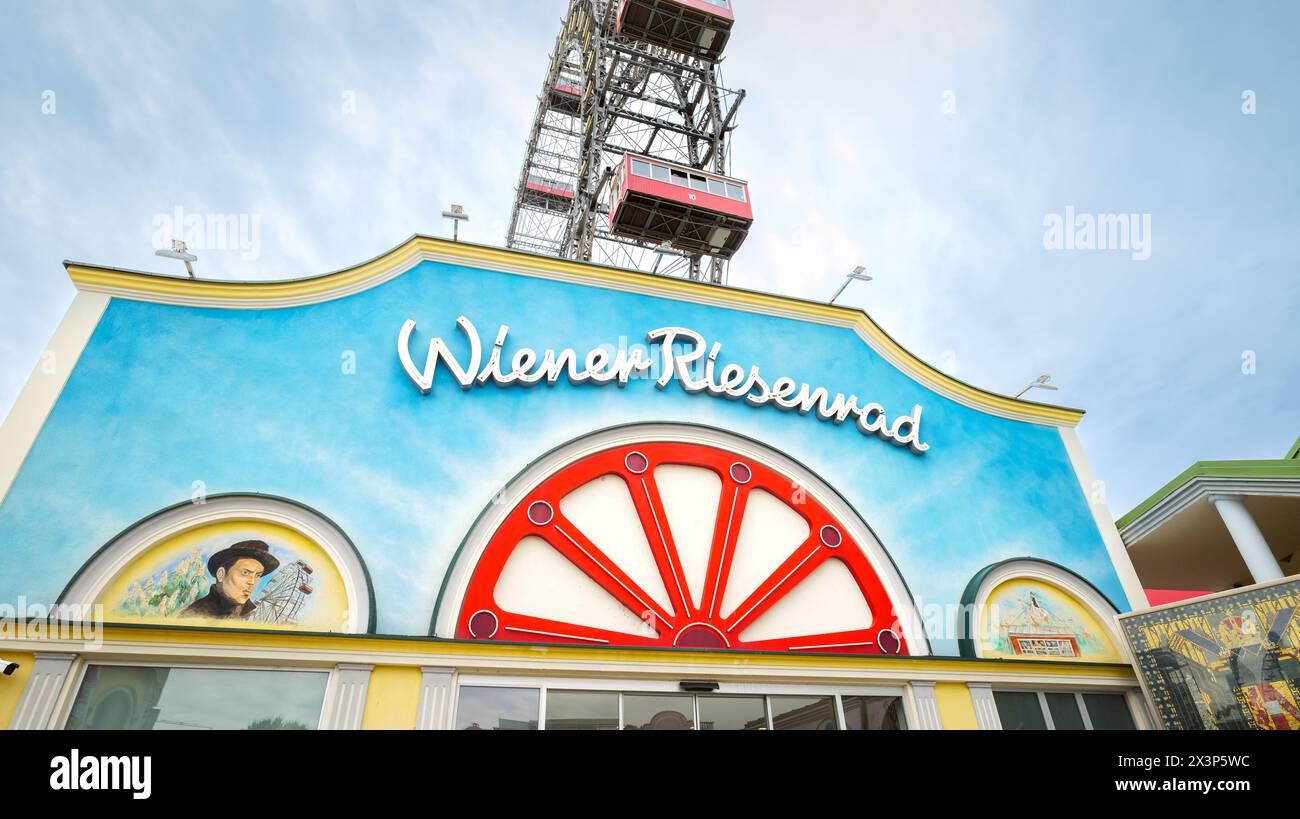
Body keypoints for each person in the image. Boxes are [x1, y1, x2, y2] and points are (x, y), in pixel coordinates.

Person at [179, 540, 280, 620]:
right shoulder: (193, 615)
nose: (252, 582)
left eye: (258, 575)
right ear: (221, 574)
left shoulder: (256, 616)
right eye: (245, 573)